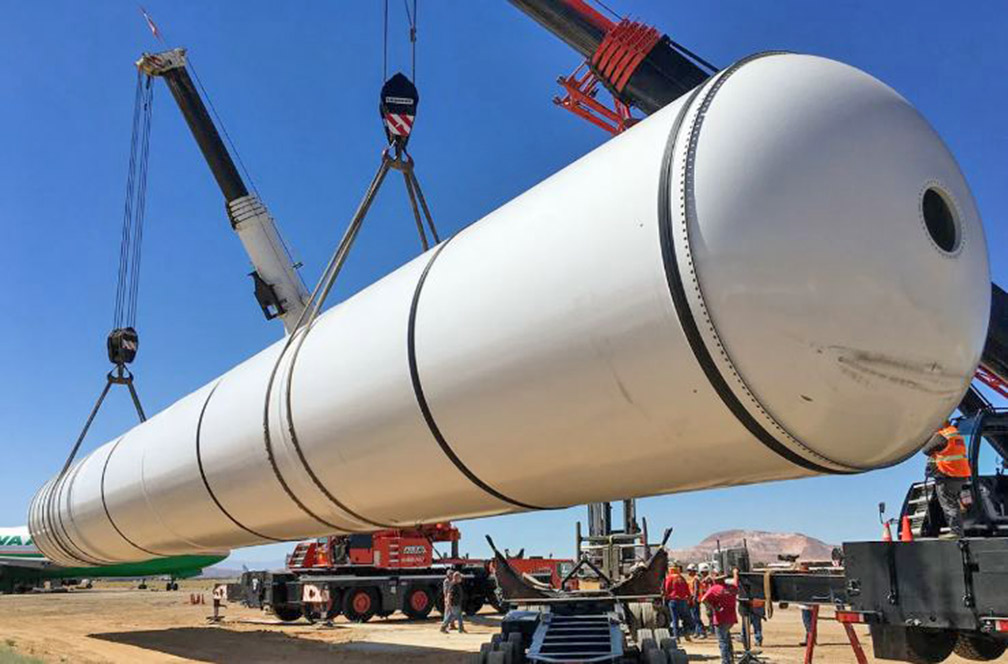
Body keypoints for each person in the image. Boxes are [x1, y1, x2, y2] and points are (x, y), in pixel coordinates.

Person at [922, 420, 972, 537]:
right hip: (960, 475)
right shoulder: (956, 434)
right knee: (954, 503)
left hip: (947, 475)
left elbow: (926, 450)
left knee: (949, 505)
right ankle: (958, 530)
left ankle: (956, 532)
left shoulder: (942, 435)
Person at [701, 567, 740, 664]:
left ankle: (725, 661)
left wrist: (713, 607)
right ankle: (730, 659)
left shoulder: (714, 589)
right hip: (731, 618)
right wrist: (735, 573)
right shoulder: (732, 588)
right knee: (727, 639)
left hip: (720, 618)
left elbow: (703, 599)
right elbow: (736, 583)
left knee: (722, 641)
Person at [663, 562, 693, 641]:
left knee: (675, 619)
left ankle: (676, 637)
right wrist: (689, 598)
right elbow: (687, 590)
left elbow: (666, 589)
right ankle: (686, 634)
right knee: (685, 618)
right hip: (683, 601)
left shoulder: (669, 578)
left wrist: (667, 598)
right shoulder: (681, 578)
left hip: (673, 601)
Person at [685, 563, 706, 638]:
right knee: (693, 616)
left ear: (693, 571)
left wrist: (694, 598)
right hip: (691, 599)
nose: (688, 572)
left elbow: (696, 590)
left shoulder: (696, 579)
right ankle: (697, 632)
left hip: (695, 600)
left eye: (689, 570)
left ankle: (702, 632)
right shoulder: (691, 578)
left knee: (696, 616)